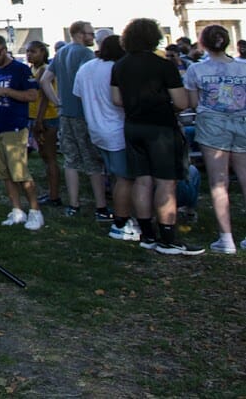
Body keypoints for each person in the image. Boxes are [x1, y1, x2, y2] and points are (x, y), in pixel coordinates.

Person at [110, 18, 202, 255]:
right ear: (154, 37)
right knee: (166, 181)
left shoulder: (119, 65)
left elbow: (116, 100)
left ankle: (147, 234)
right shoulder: (163, 66)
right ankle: (168, 237)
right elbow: (181, 102)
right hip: (160, 127)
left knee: (142, 180)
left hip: (132, 126)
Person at [182, 24, 246, 254]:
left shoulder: (195, 70)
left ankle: (226, 238)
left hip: (212, 124)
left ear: (203, 44)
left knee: (219, 182)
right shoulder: (244, 67)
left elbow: (191, 102)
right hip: (242, 122)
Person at [73, 35, 139, 241]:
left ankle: (123, 216)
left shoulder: (85, 68)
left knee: (114, 174)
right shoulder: (117, 68)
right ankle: (122, 222)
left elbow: (78, 95)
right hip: (116, 128)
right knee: (124, 178)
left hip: (95, 128)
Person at [45, 20, 108, 218]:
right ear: (80, 34)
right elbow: (89, 79)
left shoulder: (61, 52)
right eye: (90, 33)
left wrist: (57, 102)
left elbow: (44, 80)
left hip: (65, 114)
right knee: (92, 161)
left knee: (70, 160)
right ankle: (101, 207)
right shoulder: (85, 54)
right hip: (83, 114)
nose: (93, 37)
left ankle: (74, 204)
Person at [0, 35, 43, 230]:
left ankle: (35, 211)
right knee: (5, 173)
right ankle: (17, 210)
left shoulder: (20, 70)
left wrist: (7, 92)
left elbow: (33, 95)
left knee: (20, 173)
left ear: (5, 50)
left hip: (14, 126)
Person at [26, 41, 62, 206]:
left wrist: (39, 120)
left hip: (47, 117)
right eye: (27, 52)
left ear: (42, 52)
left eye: (33, 51)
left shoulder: (45, 69)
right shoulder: (32, 69)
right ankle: (51, 192)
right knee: (44, 156)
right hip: (35, 117)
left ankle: (54, 195)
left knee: (50, 157)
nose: (29, 55)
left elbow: (45, 97)